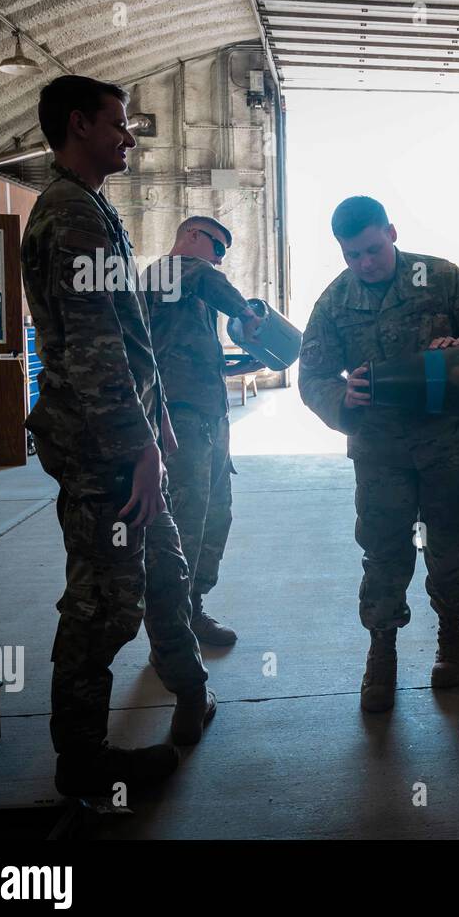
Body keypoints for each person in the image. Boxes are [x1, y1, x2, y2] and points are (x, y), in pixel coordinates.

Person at [21, 76, 215, 797]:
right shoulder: (71, 214)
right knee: (102, 606)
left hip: (127, 435)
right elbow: (93, 350)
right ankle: (84, 763)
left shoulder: (92, 208)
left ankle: (191, 691)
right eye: (119, 124)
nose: (129, 137)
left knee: (164, 570)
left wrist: (158, 414)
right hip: (103, 450)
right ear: (79, 125)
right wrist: (137, 450)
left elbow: (129, 337)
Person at [298, 197, 459, 713]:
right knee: (384, 552)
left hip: (444, 442)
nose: (365, 263)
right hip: (380, 450)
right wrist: (339, 399)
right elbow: (313, 376)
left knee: (448, 546)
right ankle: (382, 654)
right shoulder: (334, 303)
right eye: (353, 256)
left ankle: (452, 638)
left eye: (373, 249)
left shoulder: (440, 278)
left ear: (391, 233)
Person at [141, 217, 264, 647]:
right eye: (216, 247)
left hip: (211, 417)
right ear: (191, 236)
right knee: (184, 523)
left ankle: (192, 609)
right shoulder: (167, 273)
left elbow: (189, 352)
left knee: (215, 516)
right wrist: (247, 312)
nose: (217, 258)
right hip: (179, 421)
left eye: (223, 253)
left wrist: (235, 366)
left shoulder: (193, 288)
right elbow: (206, 278)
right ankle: (169, 633)